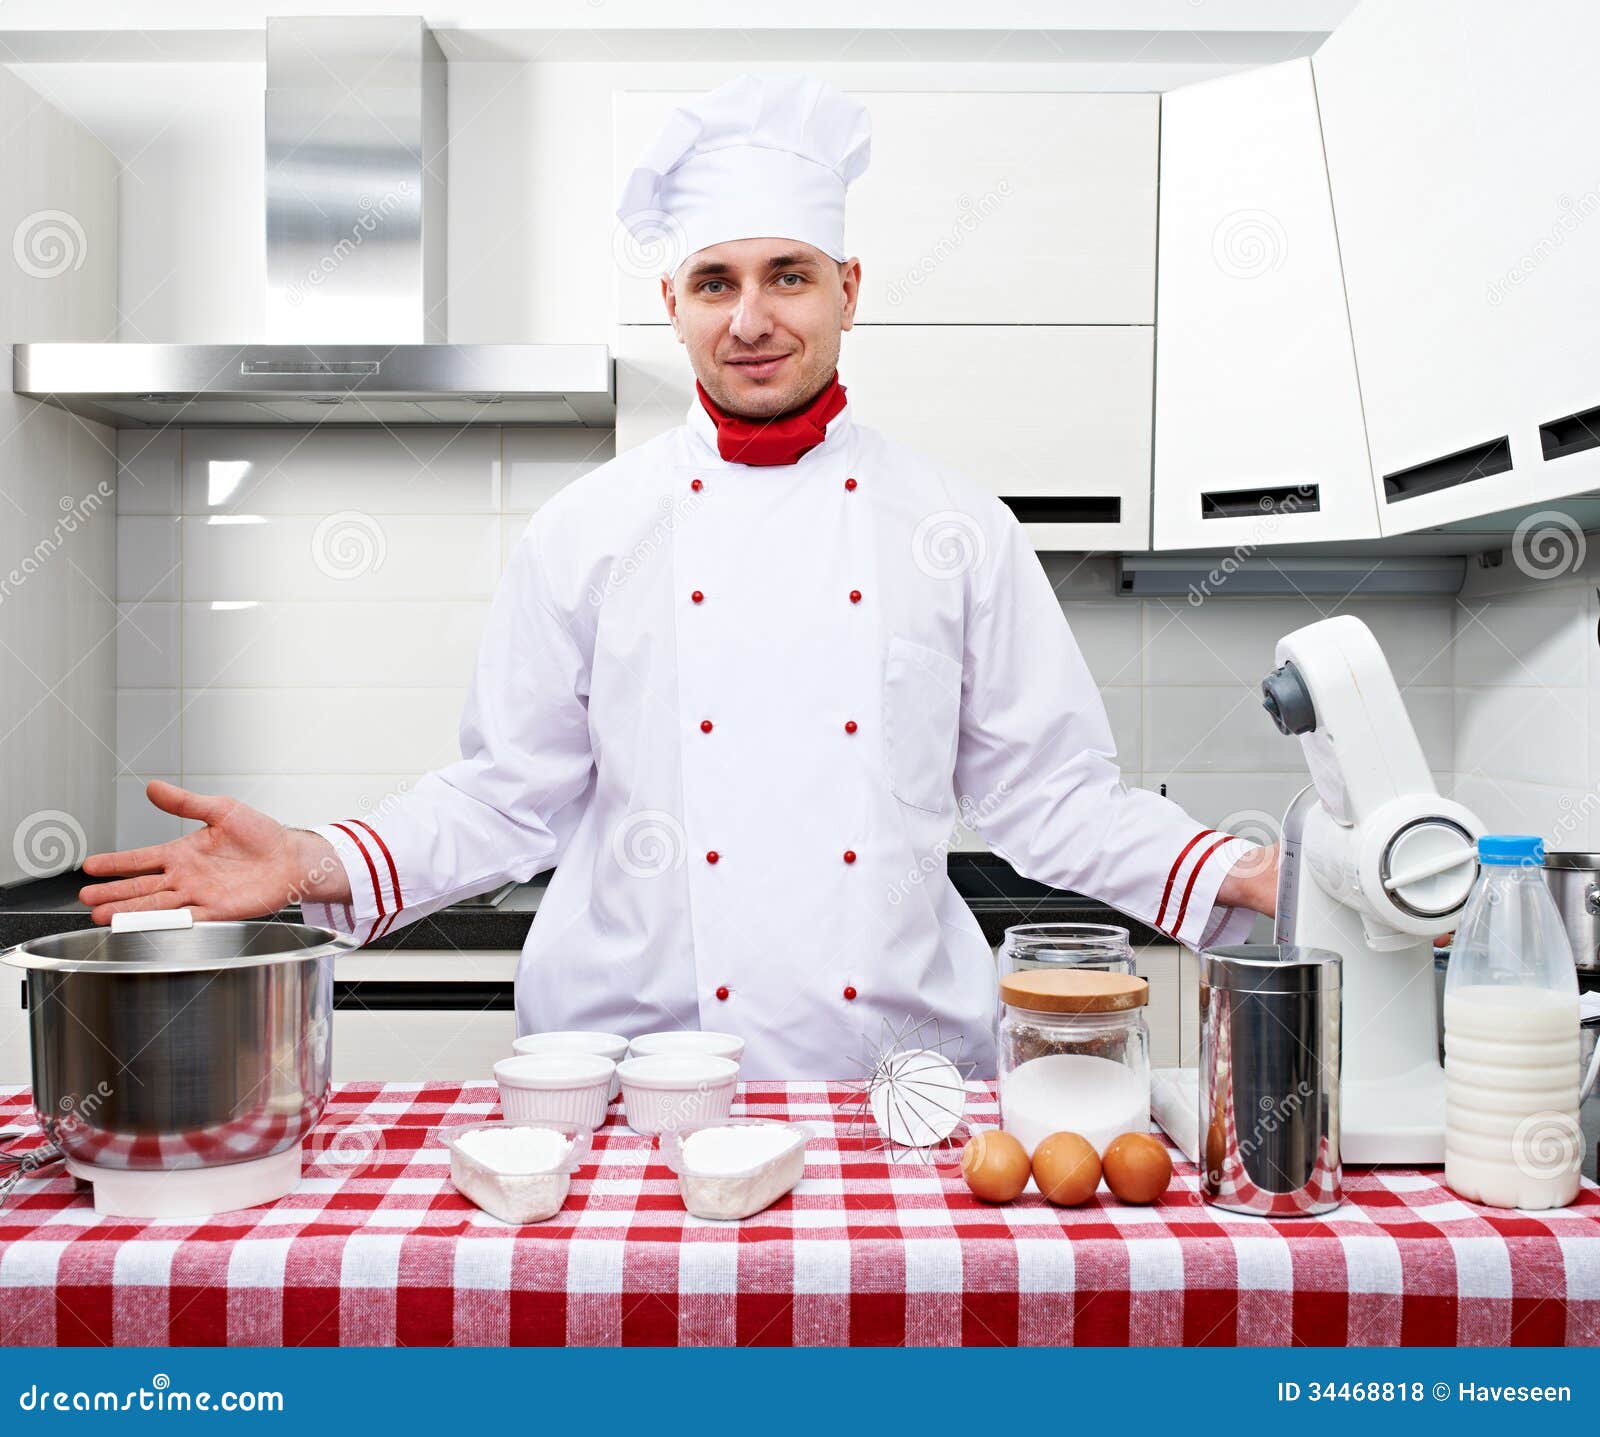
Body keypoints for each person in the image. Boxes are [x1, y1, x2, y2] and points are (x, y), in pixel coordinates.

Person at [80, 73, 1276, 1078]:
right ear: (673, 304)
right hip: (633, 1079)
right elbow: (507, 799)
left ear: (849, 290)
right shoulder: (589, 530)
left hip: (894, 1085)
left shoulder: (955, 527)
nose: (752, 317)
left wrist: (1248, 872)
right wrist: (311, 858)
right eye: (716, 282)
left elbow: (1048, 796)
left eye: (787, 275)